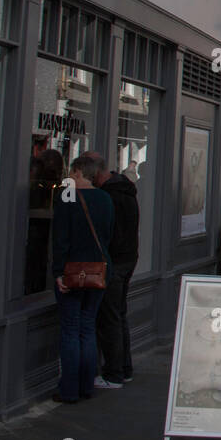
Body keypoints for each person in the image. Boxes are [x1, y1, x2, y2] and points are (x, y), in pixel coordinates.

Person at [51, 153, 114, 403]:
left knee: (70, 330)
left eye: (71, 174)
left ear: (78, 172)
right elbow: (108, 235)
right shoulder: (106, 199)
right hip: (98, 272)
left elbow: (60, 239)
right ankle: (87, 385)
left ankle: (69, 389)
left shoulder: (68, 197)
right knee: (87, 328)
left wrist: (58, 272)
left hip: (73, 271)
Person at [88, 152, 139, 389]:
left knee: (110, 318)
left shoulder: (107, 196)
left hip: (114, 261)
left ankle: (114, 373)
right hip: (128, 258)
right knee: (118, 315)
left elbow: (108, 233)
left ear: (96, 174)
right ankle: (124, 368)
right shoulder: (127, 190)